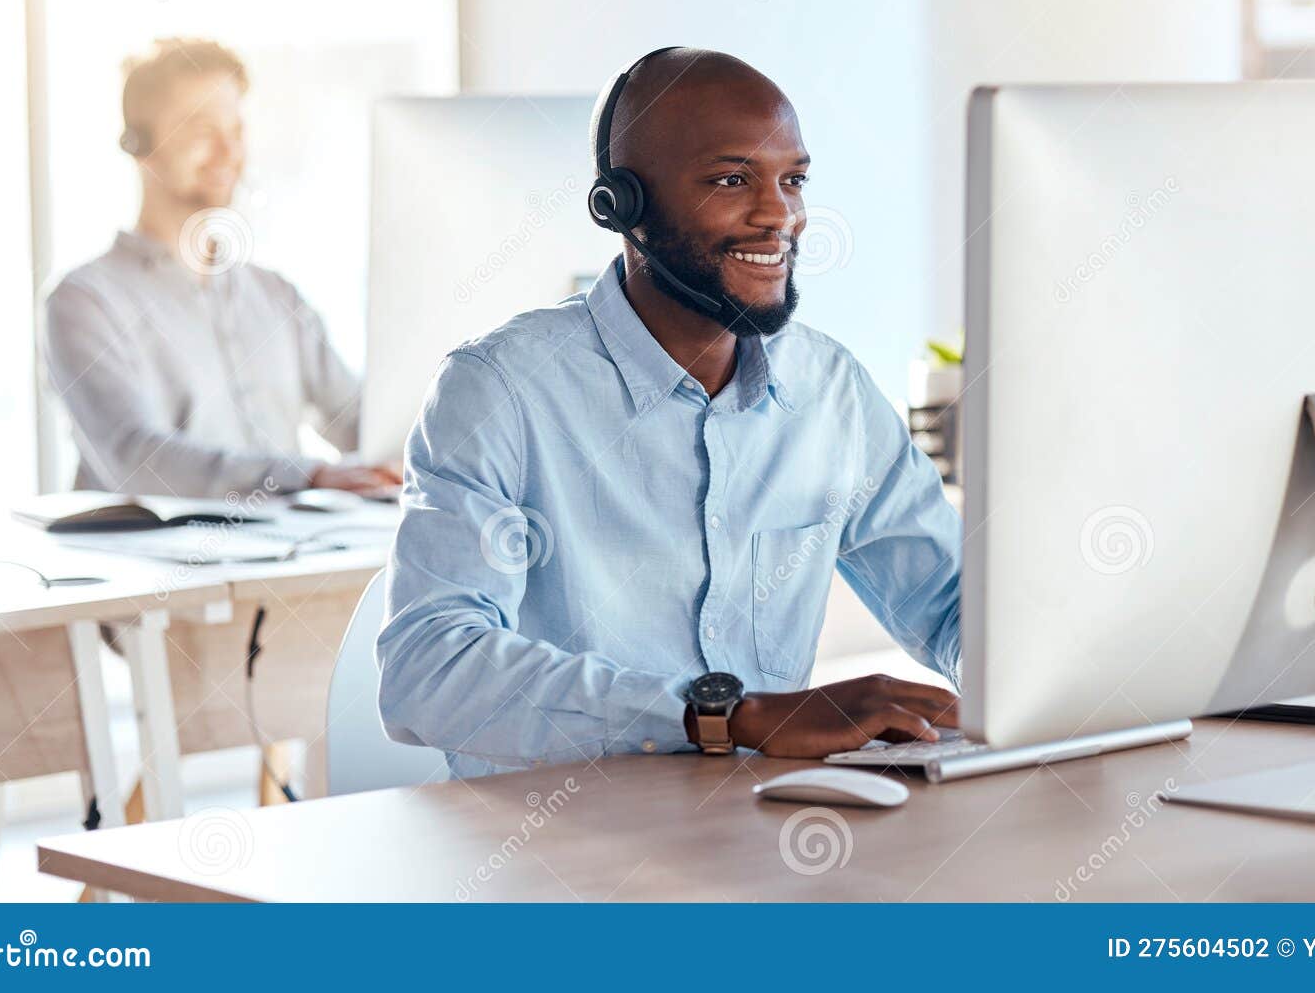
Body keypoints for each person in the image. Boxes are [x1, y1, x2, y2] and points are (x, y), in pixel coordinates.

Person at [378, 47, 961, 778]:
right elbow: (429, 668)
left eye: (794, 180)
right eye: (731, 180)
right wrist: (724, 716)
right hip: (556, 856)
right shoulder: (501, 391)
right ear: (622, 205)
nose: (779, 214)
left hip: (760, 835)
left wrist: (1054, 692)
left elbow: (951, 601)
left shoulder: (830, 390)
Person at [43, 38, 398, 498]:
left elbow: (358, 423)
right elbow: (134, 459)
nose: (228, 151)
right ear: (138, 143)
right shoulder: (85, 301)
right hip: (163, 563)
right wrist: (308, 476)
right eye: (201, 130)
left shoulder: (275, 295)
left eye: (236, 130)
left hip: (293, 556)